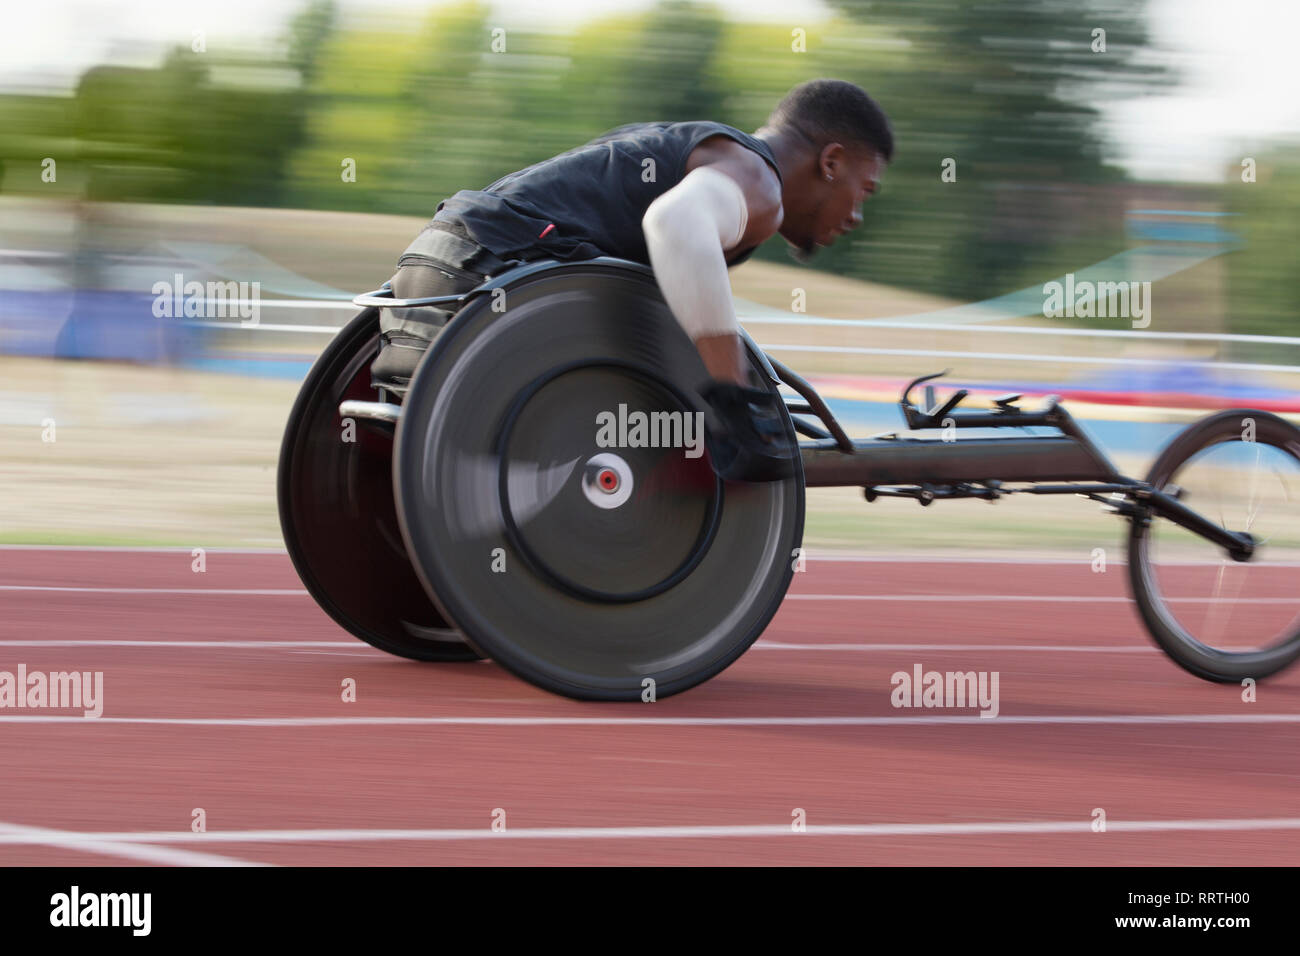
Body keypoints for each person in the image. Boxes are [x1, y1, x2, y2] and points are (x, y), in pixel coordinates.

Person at [371, 77, 893, 481]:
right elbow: (675, 224)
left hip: (424, 271)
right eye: (864, 192)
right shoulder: (757, 182)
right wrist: (734, 400)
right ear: (831, 161)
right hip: (491, 274)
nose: (855, 217)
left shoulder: (690, 146)